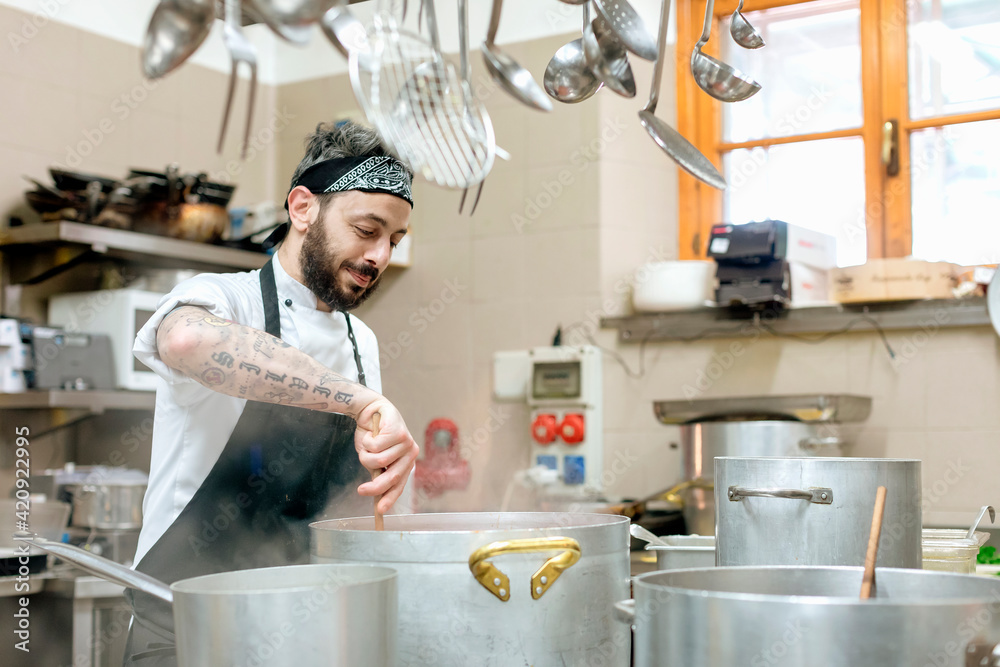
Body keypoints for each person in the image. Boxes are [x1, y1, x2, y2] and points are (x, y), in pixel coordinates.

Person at [122, 121, 419, 666]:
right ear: (303, 208)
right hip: (188, 628)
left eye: (394, 240)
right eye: (366, 229)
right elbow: (186, 340)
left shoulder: (361, 343)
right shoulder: (222, 298)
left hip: (304, 631)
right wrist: (359, 402)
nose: (380, 256)